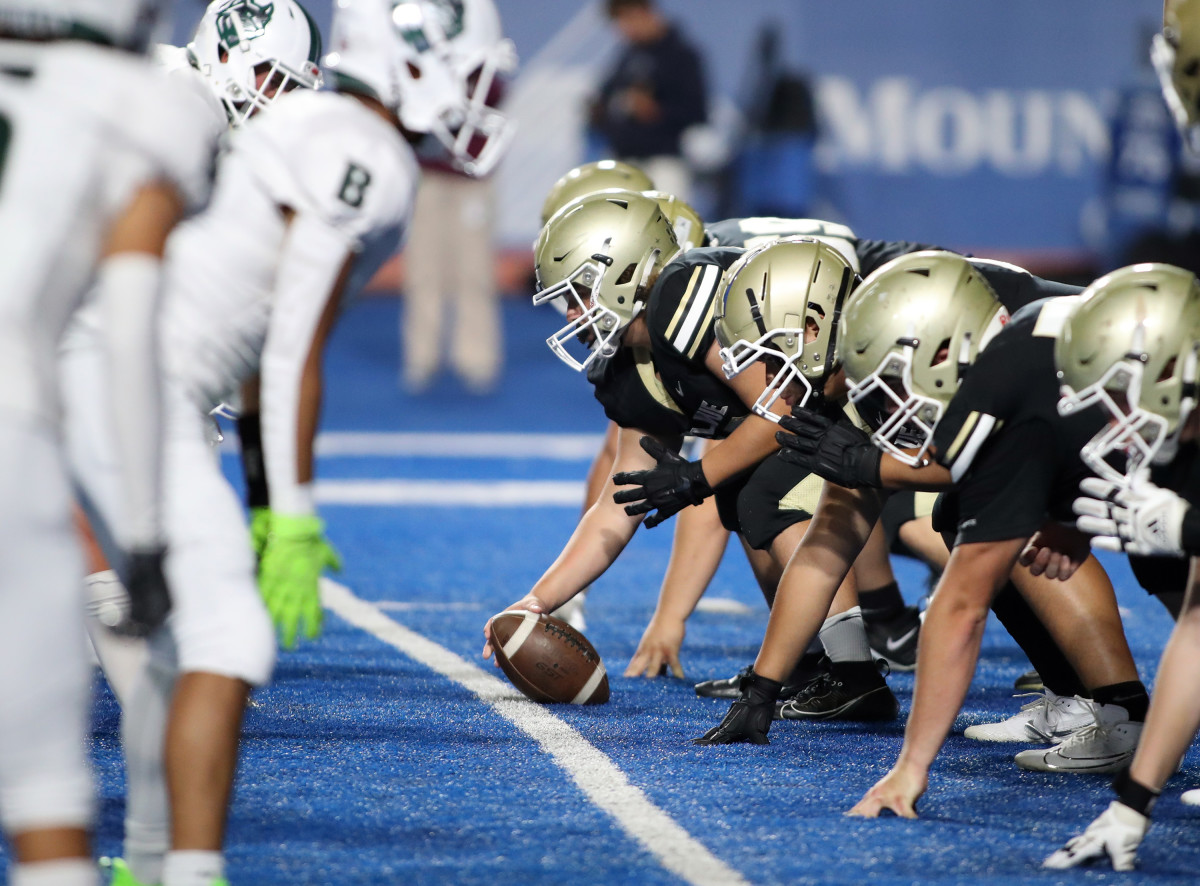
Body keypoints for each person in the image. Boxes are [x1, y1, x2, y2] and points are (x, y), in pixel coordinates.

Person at [67, 3, 515, 885]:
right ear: (409, 61)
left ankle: (157, 863)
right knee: (223, 633)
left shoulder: (324, 131)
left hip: (129, 373)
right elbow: (290, 351)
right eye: (467, 67)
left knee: (179, 631)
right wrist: (295, 517)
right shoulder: (362, 156)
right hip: (129, 380)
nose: (482, 90)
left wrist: (268, 503)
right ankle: (176, 870)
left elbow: (259, 340)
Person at [694, 251, 1149, 751]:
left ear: (812, 326)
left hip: (1147, 402)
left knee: (1010, 517)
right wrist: (763, 688)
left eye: (769, 353)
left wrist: (869, 465)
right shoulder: (875, 353)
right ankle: (1080, 702)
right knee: (960, 514)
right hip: (1108, 413)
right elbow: (829, 542)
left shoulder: (926, 332)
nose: (766, 376)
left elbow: (988, 464)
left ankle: (1122, 710)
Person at [0, 1, 217, 884]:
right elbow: (129, 336)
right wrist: (145, 534)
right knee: (47, 801)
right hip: (13, 430)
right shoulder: (141, 108)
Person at [1043, 276, 1200, 869]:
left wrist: (1191, 529)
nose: (1113, 414)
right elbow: (1197, 629)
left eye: (1119, 388)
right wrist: (1132, 804)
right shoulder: (1182, 438)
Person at [400, 9, 517, 393]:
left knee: (474, 272)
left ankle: (476, 359)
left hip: (471, 181)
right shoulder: (421, 56)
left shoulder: (481, 61)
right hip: (430, 177)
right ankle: (421, 357)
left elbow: (495, 94)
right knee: (424, 271)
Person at [589, 0, 707, 202]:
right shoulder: (627, 57)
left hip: (665, 165)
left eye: (629, 18)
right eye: (620, 22)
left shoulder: (682, 56)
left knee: (667, 221)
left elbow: (697, 112)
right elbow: (605, 101)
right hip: (623, 164)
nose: (626, 28)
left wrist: (656, 110)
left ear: (645, 11)